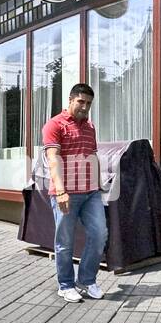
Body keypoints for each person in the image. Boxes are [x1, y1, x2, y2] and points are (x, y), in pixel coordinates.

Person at [42, 82, 109, 302]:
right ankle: (66, 285)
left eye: (89, 103)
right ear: (70, 100)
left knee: (99, 235)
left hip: (90, 193)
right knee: (65, 242)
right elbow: (53, 159)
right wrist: (61, 191)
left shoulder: (90, 127)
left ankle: (87, 280)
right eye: (81, 101)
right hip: (65, 193)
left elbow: (93, 156)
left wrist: (99, 185)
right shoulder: (54, 125)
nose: (85, 107)